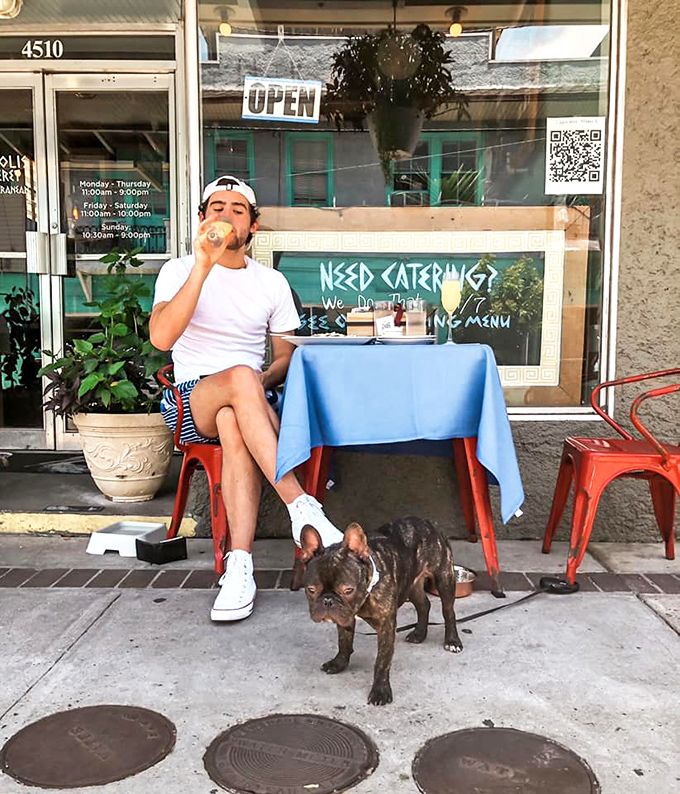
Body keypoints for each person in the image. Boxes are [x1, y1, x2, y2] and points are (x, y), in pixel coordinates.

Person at [150, 175, 343, 622]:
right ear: (202, 219)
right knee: (238, 379)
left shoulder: (270, 282)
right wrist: (203, 265)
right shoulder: (179, 271)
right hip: (189, 400)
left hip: (247, 404)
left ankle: (239, 568)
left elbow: (283, 360)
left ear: (252, 227)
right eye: (216, 207)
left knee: (237, 419)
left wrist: (253, 383)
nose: (225, 215)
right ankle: (302, 506)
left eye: (237, 210)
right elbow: (161, 339)